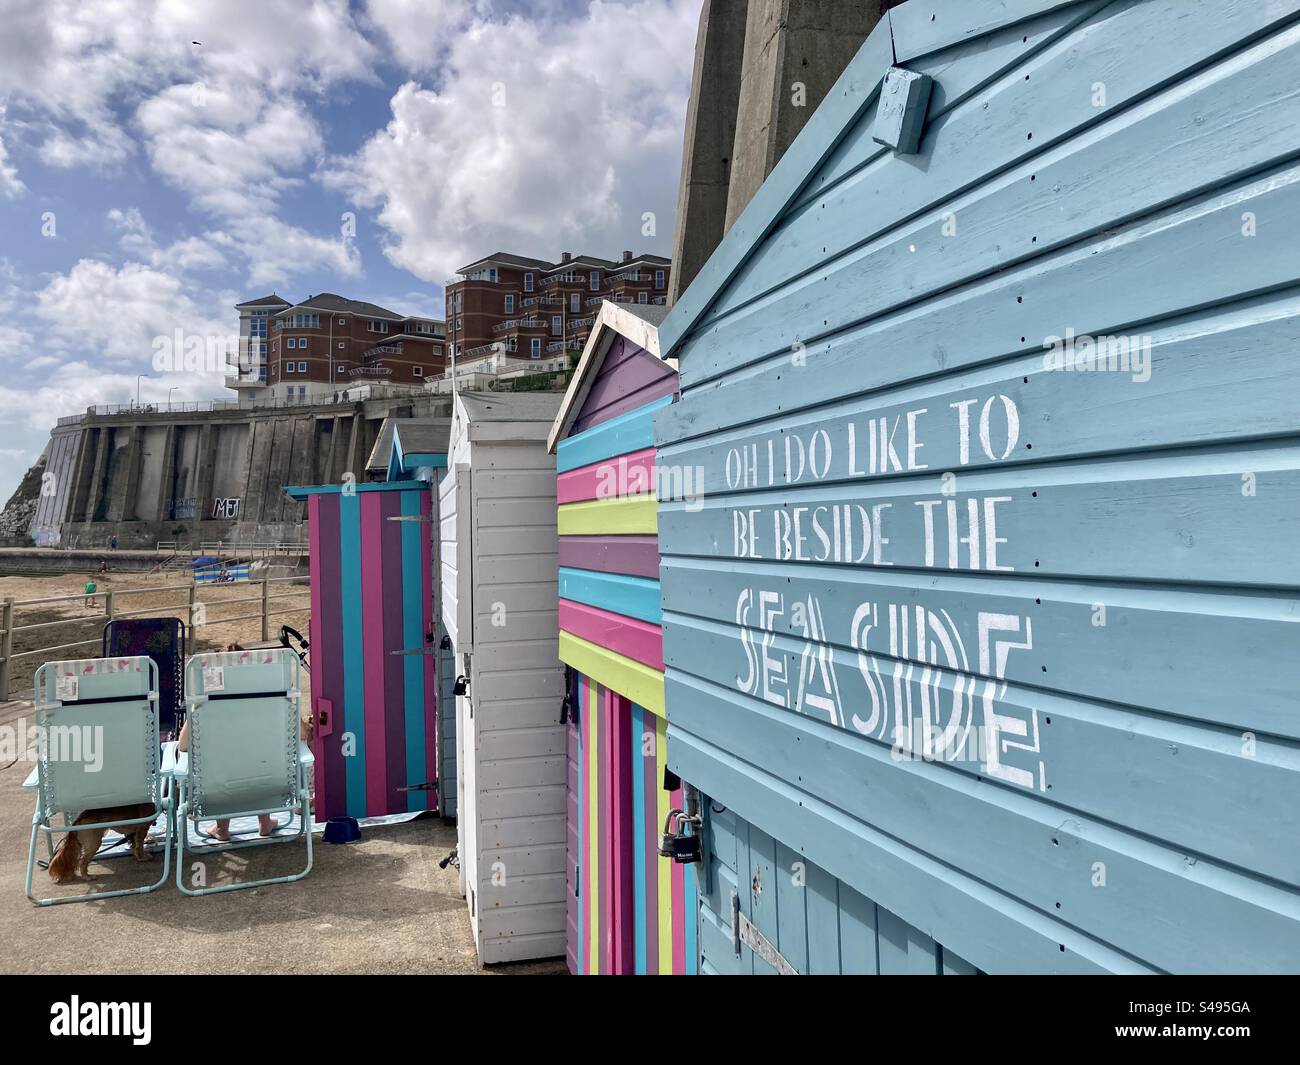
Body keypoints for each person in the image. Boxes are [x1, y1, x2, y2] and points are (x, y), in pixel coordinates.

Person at [176, 717, 277, 840]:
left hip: (220, 788)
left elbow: (183, 746)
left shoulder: (200, 708)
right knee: (257, 746)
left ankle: (221, 828)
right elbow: (296, 735)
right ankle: (265, 821)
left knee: (223, 752)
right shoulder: (273, 705)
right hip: (264, 783)